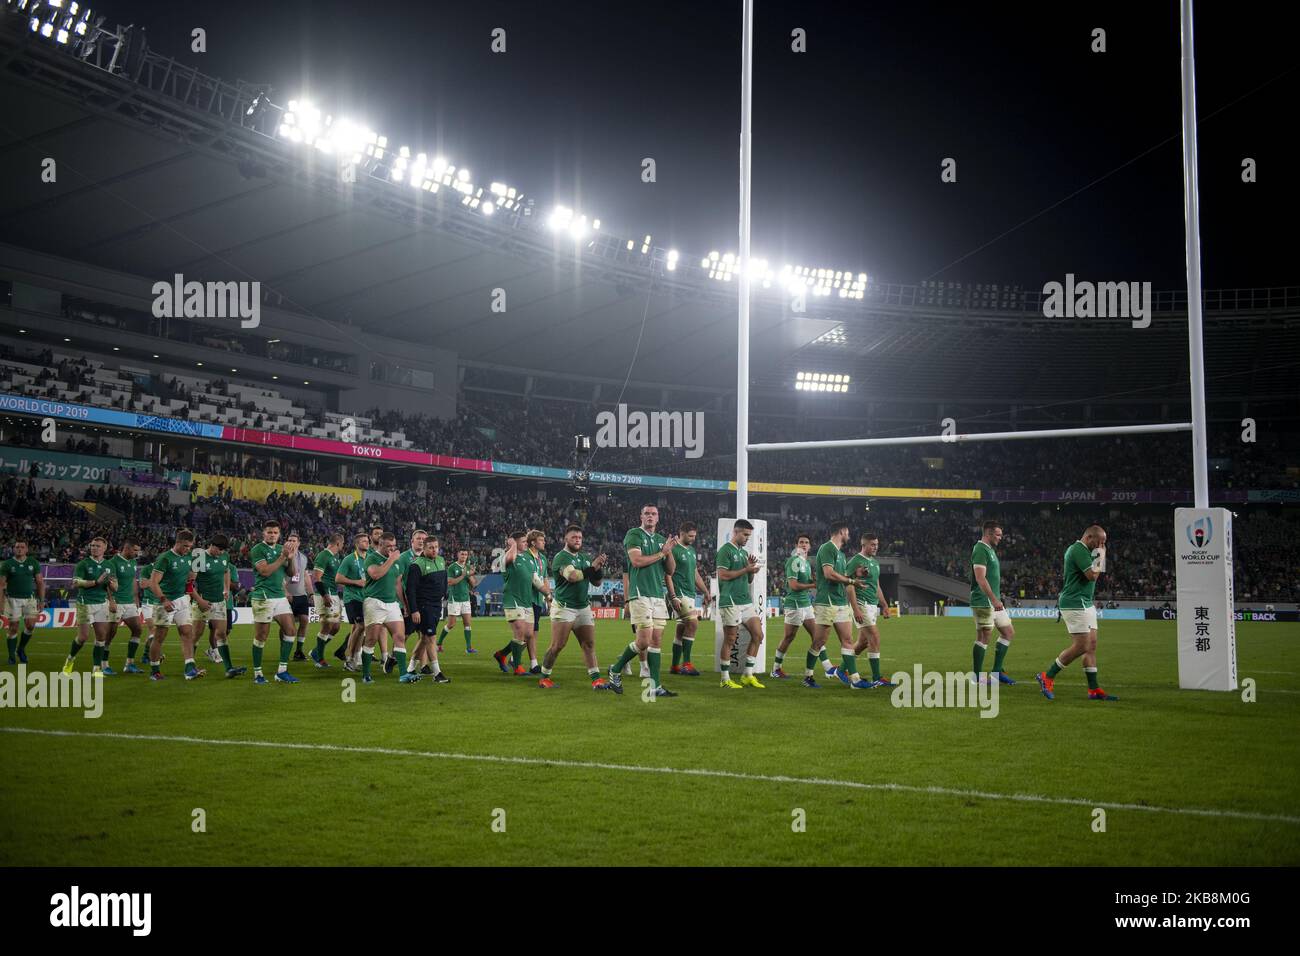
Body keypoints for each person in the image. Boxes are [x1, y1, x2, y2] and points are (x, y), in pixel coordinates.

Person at [1036, 525, 1117, 702]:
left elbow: (1096, 572)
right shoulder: (1078, 550)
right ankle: (1047, 676)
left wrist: (1099, 553)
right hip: (1074, 602)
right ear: (1089, 537)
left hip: (1085, 602)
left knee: (1091, 646)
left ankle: (1093, 690)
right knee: (1082, 646)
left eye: (1104, 542)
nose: (1102, 545)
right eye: (1100, 541)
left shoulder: (1086, 549)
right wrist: (1101, 554)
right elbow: (1092, 576)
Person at [606, 505, 677, 697]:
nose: (650, 517)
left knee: (656, 641)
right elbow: (636, 561)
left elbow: (670, 571)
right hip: (640, 593)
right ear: (641, 516)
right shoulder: (634, 534)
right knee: (643, 641)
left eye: (653, 514)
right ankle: (615, 669)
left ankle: (655, 686)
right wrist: (662, 553)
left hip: (657, 595)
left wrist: (668, 551)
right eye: (647, 513)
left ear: (658, 518)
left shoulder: (663, 540)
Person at [539, 524, 613, 691]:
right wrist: (592, 567)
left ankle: (596, 680)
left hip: (583, 607)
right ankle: (544, 677)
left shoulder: (585, 558)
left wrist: (599, 568)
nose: (577, 540)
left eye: (579, 537)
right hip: (564, 607)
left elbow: (596, 582)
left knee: (589, 643)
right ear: (566, 539)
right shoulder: (561, 558)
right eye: (574, 537)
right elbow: (573, 576)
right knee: (557, 645)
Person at [810, 522, 874, 689]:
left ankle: (855, 680)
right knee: (819, 642)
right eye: (847, 532)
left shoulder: (840, 554)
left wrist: (855, 574)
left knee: (847, 640)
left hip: (840, 601)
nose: (849, 534)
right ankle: (808, 676)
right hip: (827, 601)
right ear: (842, 531)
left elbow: (842, 577)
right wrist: (852, 580)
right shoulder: (827, 548)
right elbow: (828, 574)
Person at [248, 520, 301, 684]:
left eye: (275, 532)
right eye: (269, 532)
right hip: (263, 596)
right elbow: (264, 572)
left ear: (279, 534)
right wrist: (283, 557)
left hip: (279, 596)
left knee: (291, 630)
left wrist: (290, 558)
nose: (272, 535)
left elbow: (292, 573)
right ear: (263, 533)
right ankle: (258, 673)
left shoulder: (281, 549)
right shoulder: (258, 549)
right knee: (262, 635)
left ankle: (282, 671)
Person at [772, 534, 828, 685]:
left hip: (805, 604)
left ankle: (828, 667)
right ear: (796, 545)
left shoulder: (805, 563)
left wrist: (817, 581)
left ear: (810, 546)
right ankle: (776, 669)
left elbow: (808, 581)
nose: (804, 544)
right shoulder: (794, 561)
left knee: (817, 636)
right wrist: (812, 585)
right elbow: (794, 586)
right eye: (801, 542)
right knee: (789, 637)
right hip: (794, 604)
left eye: (807, 542)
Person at [144, 529, 199, 681]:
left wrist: (192, 576)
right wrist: (163, 599)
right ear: (178, 543)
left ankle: (189, 668)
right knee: (160, 636)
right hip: (165, 600)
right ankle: (154, 671)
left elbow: (190, 577)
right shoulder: (165, 558)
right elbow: (153, 583)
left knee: (187, 633)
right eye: (185, 546)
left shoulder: (190, 557)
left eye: (190, 546)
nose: (188, 549)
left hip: (182, 600)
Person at [716, 520, 764, 689]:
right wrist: (746, 569)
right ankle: (725, 679)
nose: (746, 538)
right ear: (735, 532)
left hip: (745, 601)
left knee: (758, 635)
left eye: (749, 536)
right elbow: (723, 575)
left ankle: (747, 675)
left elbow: (748, 579)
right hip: (730, 601)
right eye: (745, 535)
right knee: (730, 639)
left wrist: (750, 570)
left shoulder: (743, 553)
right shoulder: (725, 551)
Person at [363, 532, 417, 684]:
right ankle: (366, 675)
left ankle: (403, 674)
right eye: (388, 546)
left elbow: (397, 583)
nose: (392, 549)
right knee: (371, 639)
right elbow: (375, 574)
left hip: (392, 603)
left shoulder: (396, 561)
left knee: (400, 637)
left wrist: (405, 605)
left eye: (394, 546)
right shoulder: (372, 557)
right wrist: (391, 559)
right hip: (374, 603)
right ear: (380, 545)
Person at [191, 534, 245, 678]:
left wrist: (226, 589)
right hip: (202, 601)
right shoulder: (200, 556)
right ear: (211, 545)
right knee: (196, 635)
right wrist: (199, 600)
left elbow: (226, 572)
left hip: (219, 601)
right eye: (219, 549)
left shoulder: (224, 556)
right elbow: (189, 584)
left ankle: (229, 668)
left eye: (223, 550)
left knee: (221, 634)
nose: (221, 552)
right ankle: (190, 667)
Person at [969, 520, 1016, 685]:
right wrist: (994, 599)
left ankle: (996, 674)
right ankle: (976, 677)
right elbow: (980, 578)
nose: (1000, 538)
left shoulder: (990, 550)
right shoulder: (980, 549)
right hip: (983, 600)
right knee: (984, 635)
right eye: (998, 534)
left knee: (1008, 632)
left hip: (994, 601)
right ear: (988, 533)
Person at [846, 533, 894, 688]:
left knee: (863, 643)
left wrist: (885, 605)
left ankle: (841, 669)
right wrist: (855, 609)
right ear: (864, 544)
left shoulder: (874, 562)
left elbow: (877, 586)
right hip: (861, 604)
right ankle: (876, 677)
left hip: (872, 605)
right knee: (874, 637)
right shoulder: (855, 561)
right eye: (872, 544)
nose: (875, 547)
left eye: (877, 544)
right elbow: (849, 584)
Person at [64, 536, 115, 676]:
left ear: (104, 548)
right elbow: (75, 583)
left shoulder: (109, 565)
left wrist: (112, 588)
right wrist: (96, 582)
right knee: (83, 637)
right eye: (92, 545)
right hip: (84, 603)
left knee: (101, 636)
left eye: (97, 546)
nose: (94, 548)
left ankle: (96, 669)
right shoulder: (83, 564)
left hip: (101, 604)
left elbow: (114, 586)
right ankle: (70, 660)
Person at [666, 521, 709, 676]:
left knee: (681, 629)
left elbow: (695, 573)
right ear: (681, 533)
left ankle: (675, 666)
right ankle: (687, 664)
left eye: (694, 536)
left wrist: (705, 591)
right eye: (690, 536)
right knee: (693, 623)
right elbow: (668, 574)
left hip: (690, 594)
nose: (693, 538)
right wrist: (673, 596)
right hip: (679, 594)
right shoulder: (674, 549)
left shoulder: (691, 550)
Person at [405, 536, 449, 682]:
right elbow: (410, 590)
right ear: (424, 548)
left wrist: (444, 594)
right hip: (425, 605)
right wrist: (414, 610)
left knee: (424, 638)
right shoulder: (416, 565)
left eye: (436, 547)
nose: (434, 550)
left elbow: (444, 580)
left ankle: (410, 669)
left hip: (437, 605)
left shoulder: (441, 560)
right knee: (431, 638)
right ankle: (437, 674)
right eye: (431, 547)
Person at [1, 539, 44, 665]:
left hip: (30, 599)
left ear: (26, 549)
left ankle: (20, 649)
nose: (19, 549)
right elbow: (1, 584)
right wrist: (1, 602)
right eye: (17, 547)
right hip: (12, 599)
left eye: (22, 547)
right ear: (14, 549)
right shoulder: (7, 564)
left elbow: (40, 582)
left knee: (30, 625)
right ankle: (11, 656)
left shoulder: (33, 562)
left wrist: (41, 600)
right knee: (13, 628)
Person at [309, 533, 345, 667]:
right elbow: (316, 578)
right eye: (342, 543)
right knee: (326, 626)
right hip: (325, 595)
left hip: (334, 594)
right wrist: (324, 595)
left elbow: (336, 579)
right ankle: (319, 659)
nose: (343, 546)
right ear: (338, 543)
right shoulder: (323, 555)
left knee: (335, 627)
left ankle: (315, 651)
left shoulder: (335, 558)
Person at [437, 549, 477, 653]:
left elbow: (473, 584)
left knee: (467, 623)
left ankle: (468, 648)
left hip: (465, 599)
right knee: (451, 624)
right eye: (462, 554)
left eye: (466, 554)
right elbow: (450, 582)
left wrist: (470, 575)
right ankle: (439, 644)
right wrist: (463, 575)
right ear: (457, 554)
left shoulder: (468, 567)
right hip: (455, 598)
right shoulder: (452, 567)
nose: (464, 555)